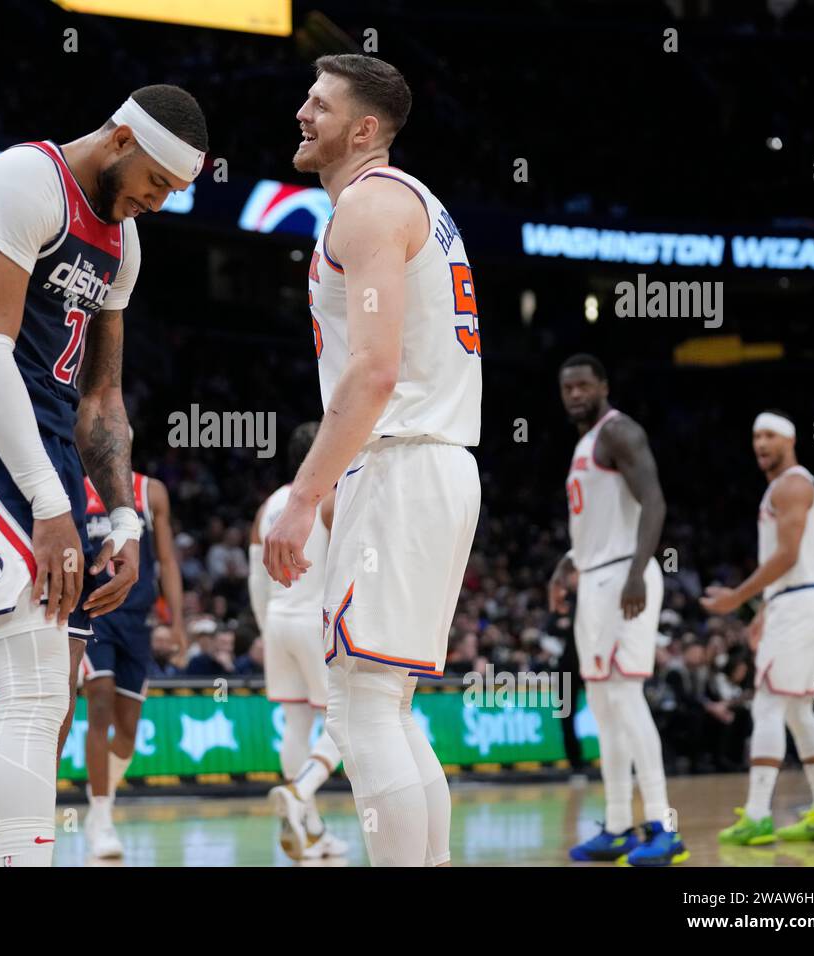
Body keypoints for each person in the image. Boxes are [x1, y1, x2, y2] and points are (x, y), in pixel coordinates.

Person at [0, 85, 207, 866]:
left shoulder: (124, 242)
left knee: (56, 695)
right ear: (119, 140)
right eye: (158, 183)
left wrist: (123, 517)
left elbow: (101, 399)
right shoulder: (24, 181)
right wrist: (50, 503)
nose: (160, 202)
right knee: (33, 686)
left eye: (174, 193)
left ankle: (11, 853)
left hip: (49, 450)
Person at [264, 55, 481, 868]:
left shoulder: (368, 205)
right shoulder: (414, 201)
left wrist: (300, 498)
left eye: (318, 105)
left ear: (363, 129)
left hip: (403, 462)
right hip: (430, 463)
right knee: (382, 705)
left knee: (361, 710)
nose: (300, 114)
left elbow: (375, 369)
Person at [548, 355, 684, 866]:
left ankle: (665, 827)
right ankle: (620, 825)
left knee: (626, 696)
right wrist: (566, 564)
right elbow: (595, 527)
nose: (575, 394)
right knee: (603, 705)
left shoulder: (620, 432)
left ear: (603, 386)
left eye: (584, 385)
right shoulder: (585, 444)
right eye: (567, 388)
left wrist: (634, 571)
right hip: (596, 577)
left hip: (625, 575)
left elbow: (654, 502)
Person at [703, 410, 814, 845]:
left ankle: (757, 816)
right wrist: (765, 610)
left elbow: (786, 555)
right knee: (799, 711)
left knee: (767, 705)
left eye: (769, 435)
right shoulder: (782, 487)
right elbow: (792, 562)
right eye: (755, 437)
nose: (760, 444)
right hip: (800, 600)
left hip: (801, 602)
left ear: (790, 439)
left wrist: (738, 599)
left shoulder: (792, 485)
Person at [251, 420, 346, 861]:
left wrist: (265, 628)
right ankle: (302, 788)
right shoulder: (328, 500)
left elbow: (256, 579)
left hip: (276, 619)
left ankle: (310, 827)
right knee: (346, 722)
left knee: (296, 725)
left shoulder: (268, 506)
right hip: (315, 622)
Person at [81, 467, 183, 859]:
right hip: (93, 614)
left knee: (126, 735)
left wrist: (176, 623)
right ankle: (101, 815)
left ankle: (101, 800)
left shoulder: (151, 491)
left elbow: (168, 561)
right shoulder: (75, 485)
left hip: (138, 619)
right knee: (100, 705)